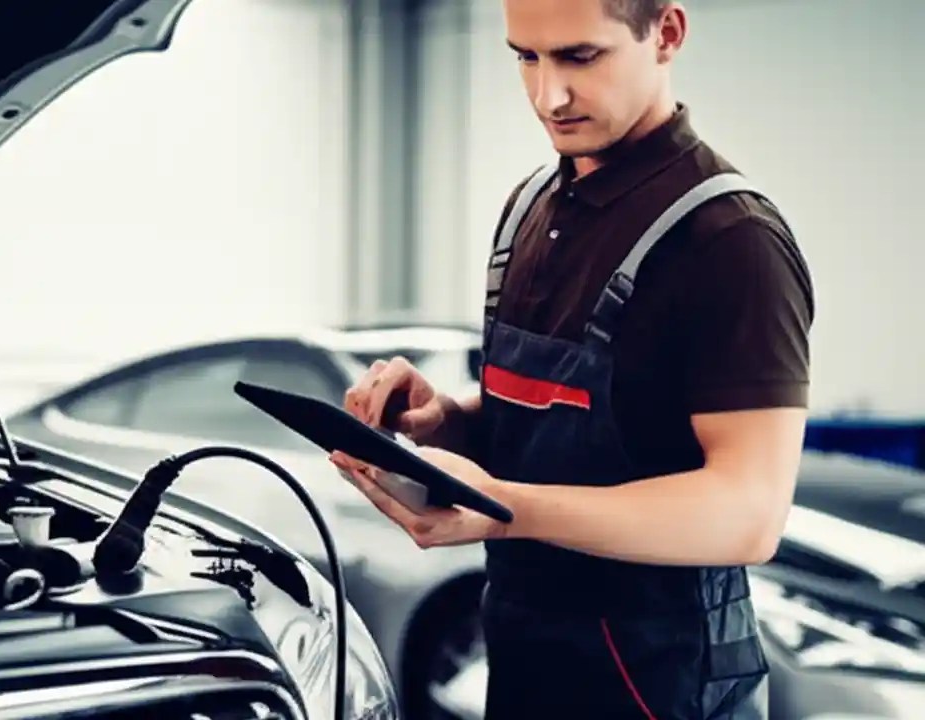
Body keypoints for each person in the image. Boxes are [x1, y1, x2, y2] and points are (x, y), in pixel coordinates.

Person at [331, 0, 814, 717]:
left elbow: (749, 514)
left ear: (667, 34)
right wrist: (440, 423)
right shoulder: (530, 207)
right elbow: (548, 433)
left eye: (579, 57)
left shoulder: (730, 242)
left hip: (666, 681)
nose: (547, 95)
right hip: (528, 658)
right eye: (526, 56)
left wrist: (505, 512)